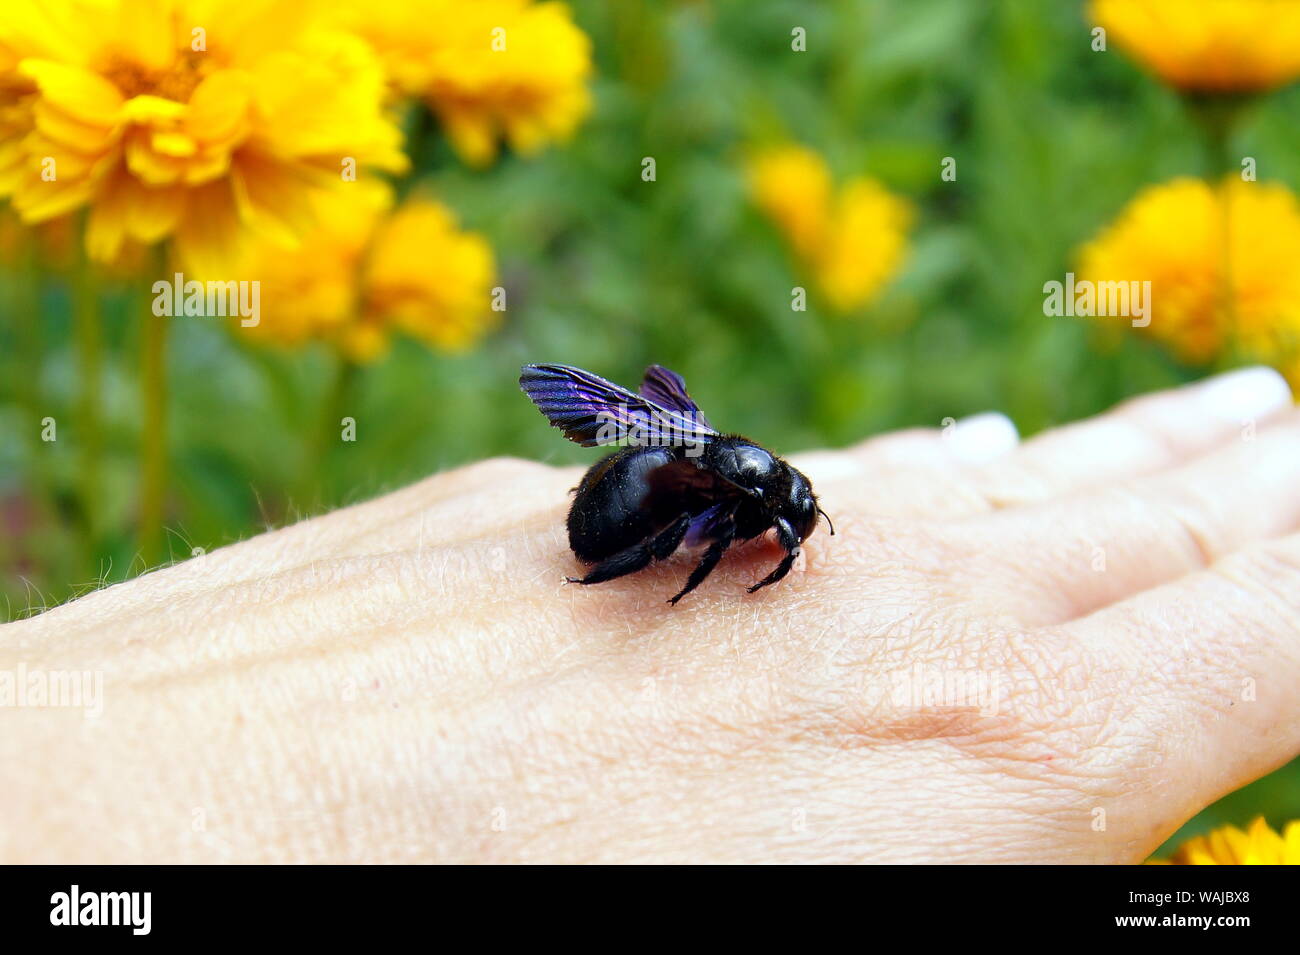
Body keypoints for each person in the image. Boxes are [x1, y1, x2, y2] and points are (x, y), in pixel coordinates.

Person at [3, 367, 1298, 863]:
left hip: (629, 481)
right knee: (659, 523)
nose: (787, 536)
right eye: (784, 523)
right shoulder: (715, 502)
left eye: (787, 522)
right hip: (609, 514)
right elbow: (695, 533)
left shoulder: (716, 460)